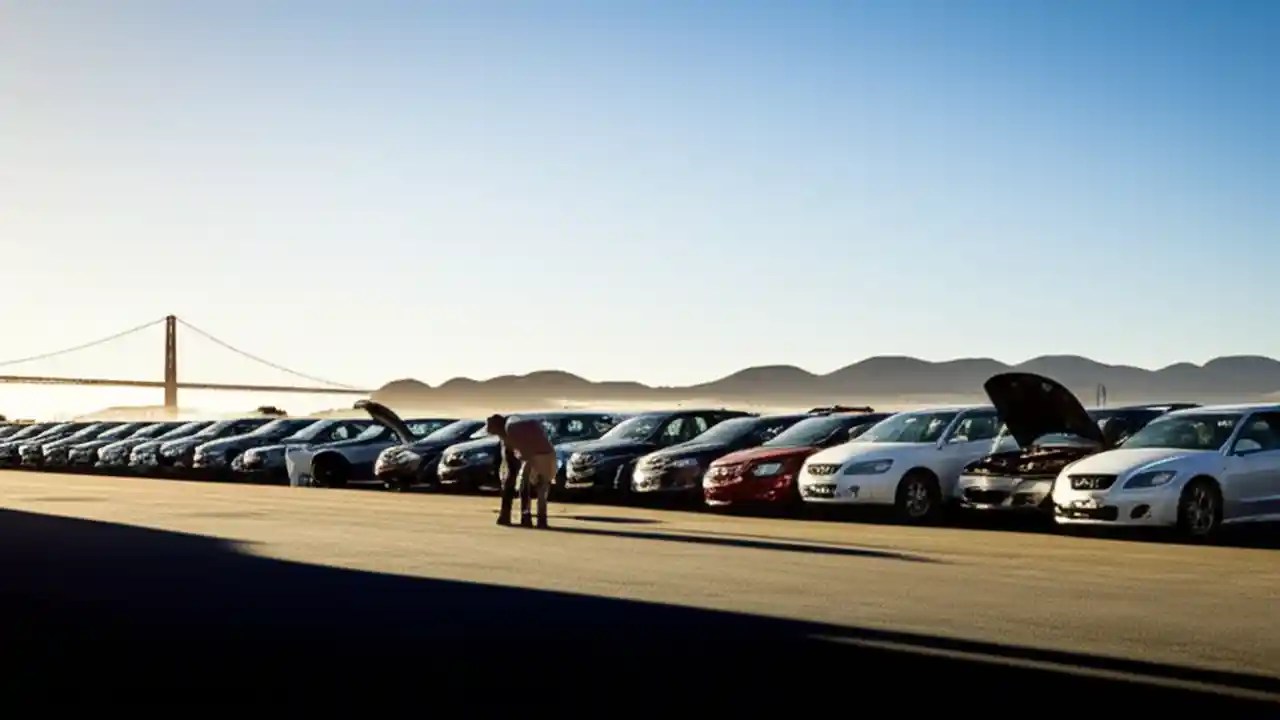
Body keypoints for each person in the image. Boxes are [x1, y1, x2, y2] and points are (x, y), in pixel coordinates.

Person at [488, 414, 556, 528]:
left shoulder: (511, 427)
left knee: (525, 486)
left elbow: (522, 450)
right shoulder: (514, 424)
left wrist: (519, 459)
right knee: (540, 489)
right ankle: (540, 520)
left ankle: (527, 517)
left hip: (536, 455)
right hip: (547, 454)